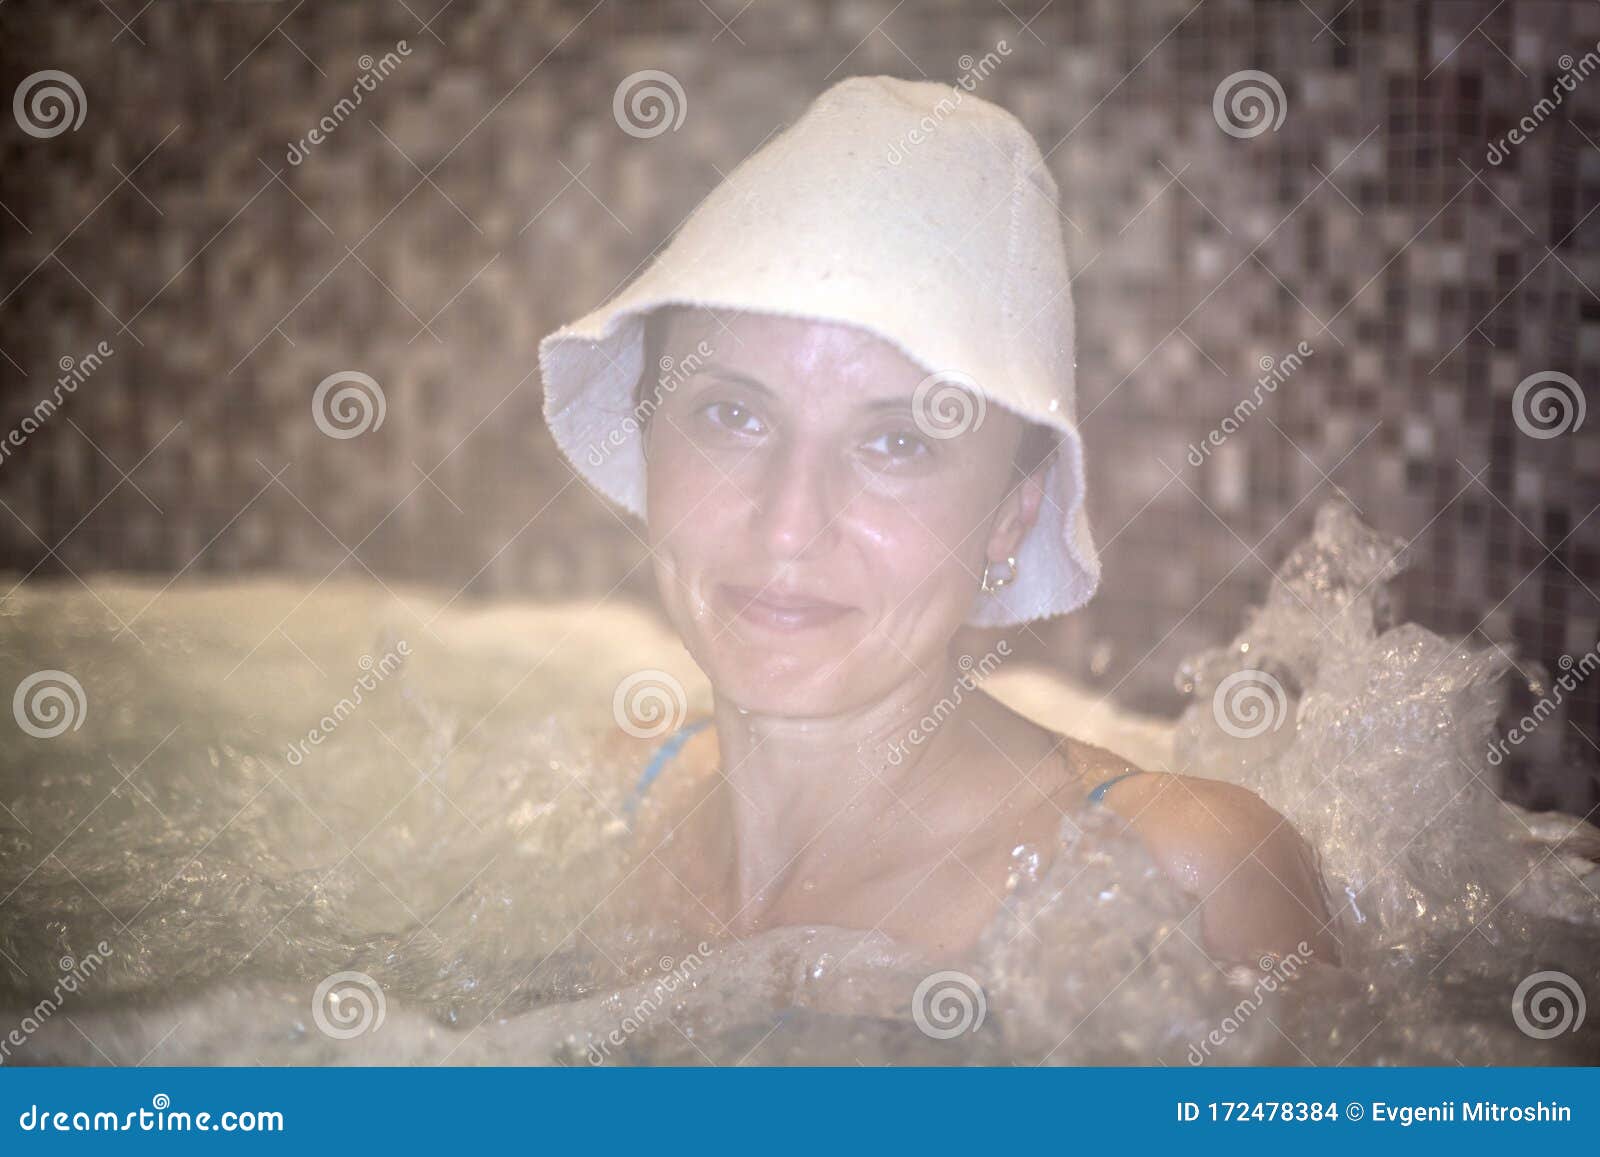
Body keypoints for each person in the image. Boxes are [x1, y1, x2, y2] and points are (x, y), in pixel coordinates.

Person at [538, 75, 1340, 968]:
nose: (789, 524)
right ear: (651, 441)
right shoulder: (625, 790)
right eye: (734, 415)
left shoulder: (1185, 883)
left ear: (1009, 518)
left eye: (894, 442)